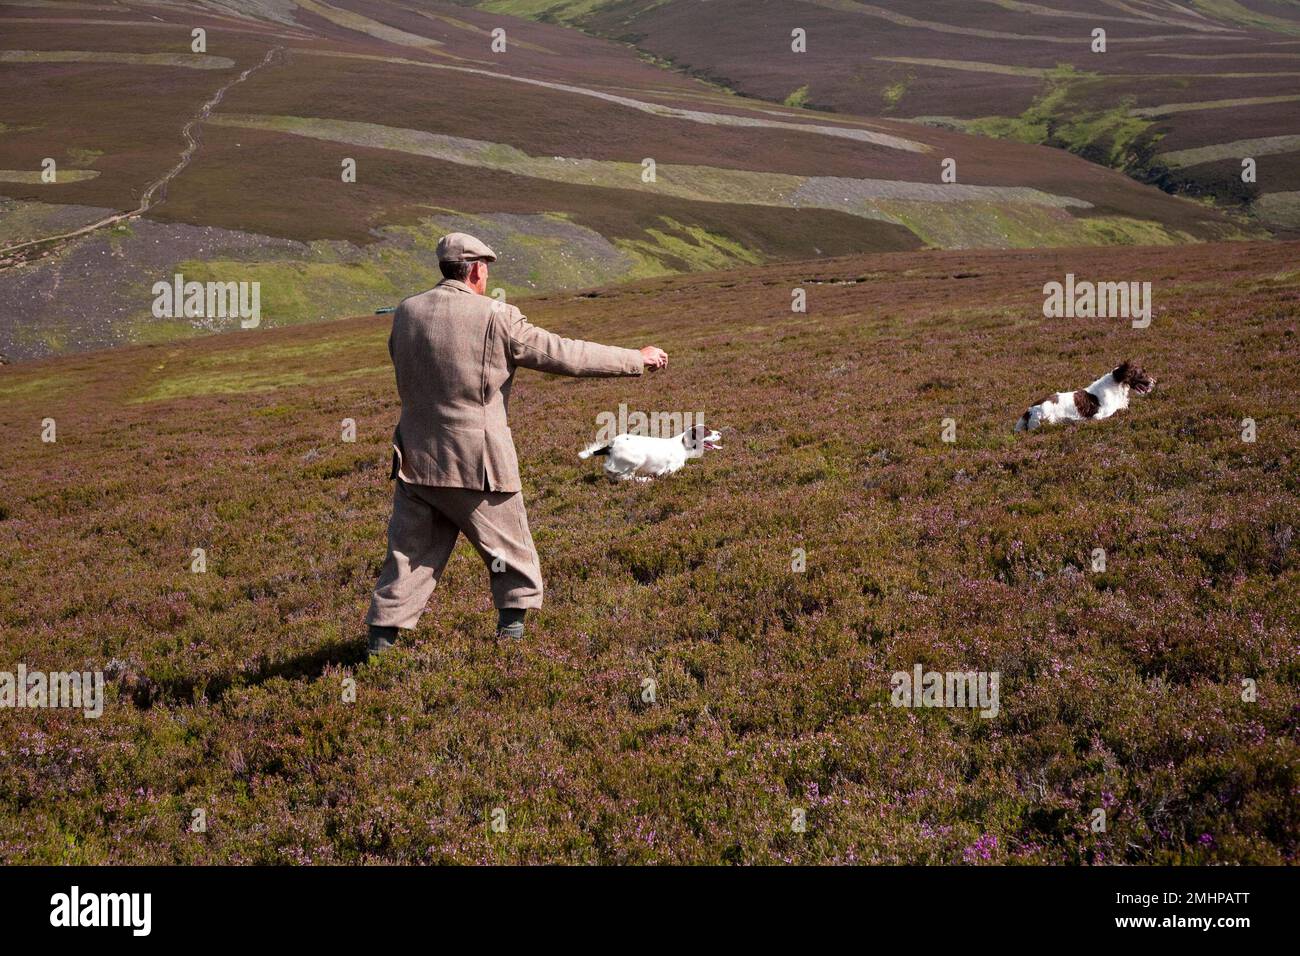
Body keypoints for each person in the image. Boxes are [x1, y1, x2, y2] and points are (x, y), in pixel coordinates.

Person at [365, 232, 668, 655]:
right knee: (511, 555)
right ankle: (512, 646)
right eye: (485, 268)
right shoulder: (498, 316)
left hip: (416, 460)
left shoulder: (407, 313)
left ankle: (380, 650)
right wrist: (637, 358)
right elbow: (565, 355)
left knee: (408, 559)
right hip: (479, 463)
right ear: (475, 270)